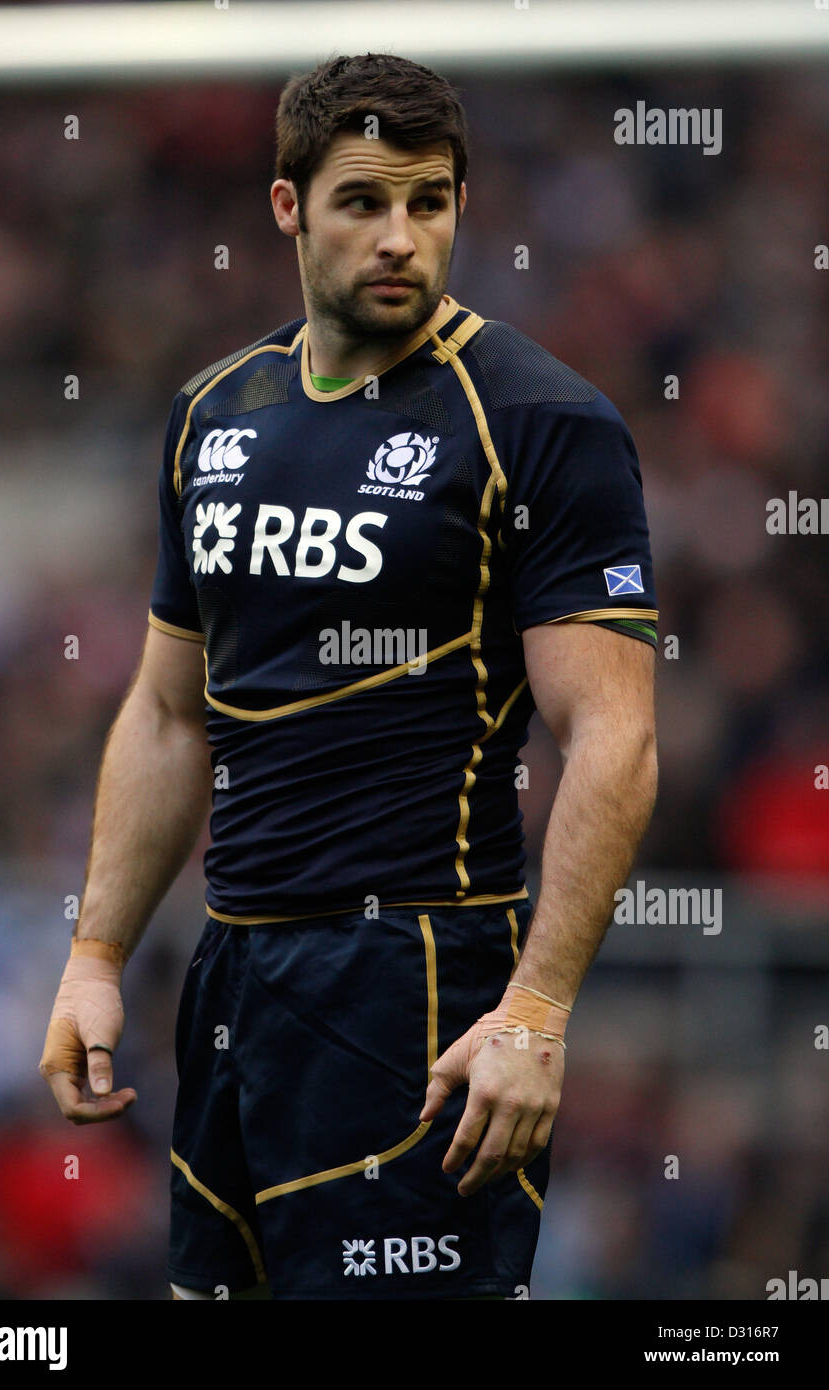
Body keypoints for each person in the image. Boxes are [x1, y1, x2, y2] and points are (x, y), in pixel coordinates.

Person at [40, 52, 658, 1301]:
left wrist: (537, 1011)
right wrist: (96, 953)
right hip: (231, 980)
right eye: (363, 202)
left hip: (416, 986)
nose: (400, 237)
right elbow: (168, 713)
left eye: (428, 203)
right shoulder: (213, 415)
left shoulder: (539, 421)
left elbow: (614, 737)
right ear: (286, 207)